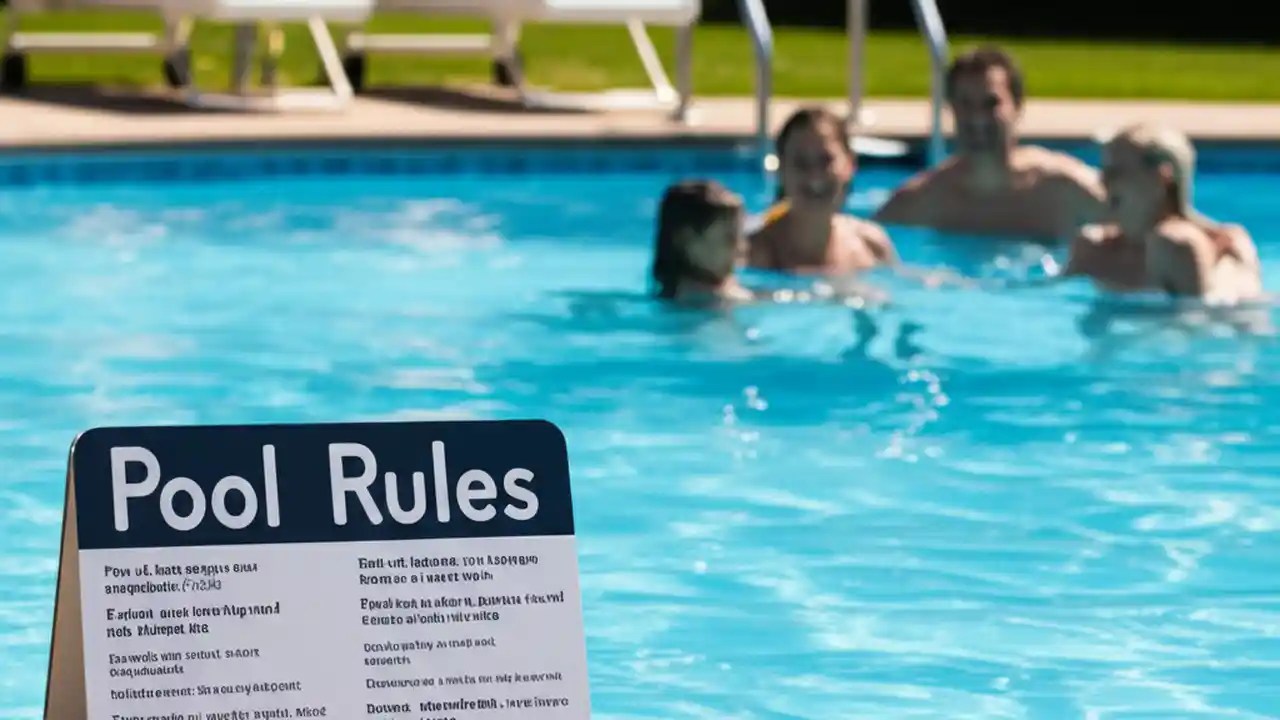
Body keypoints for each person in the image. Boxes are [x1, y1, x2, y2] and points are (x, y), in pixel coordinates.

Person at [873, 45, 1106, 241]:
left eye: (991, 103)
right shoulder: (922, 201)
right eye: (966, 104)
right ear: (951, 110)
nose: (978, 118)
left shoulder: (1065, 188)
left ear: (1017, 106)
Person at [1063, 123, 1263, 304]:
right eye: (1104, 171)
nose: (1103, 181)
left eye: (1118, 172)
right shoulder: (1094, 249)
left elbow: (1213, 330)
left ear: (1162, 177)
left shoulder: (1218, 247)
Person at [748, 106, 898, 274]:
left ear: (850, 164)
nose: (814, 176)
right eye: (800, 162)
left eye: (825, 160)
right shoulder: (754, 256)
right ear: (781, 171)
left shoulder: (872, 245)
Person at [650, 179, 754, 305]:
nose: (741, 247)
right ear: (686, 241)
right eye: (729, 237)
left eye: (741, 236)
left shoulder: (664, 297)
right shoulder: (719, 300)